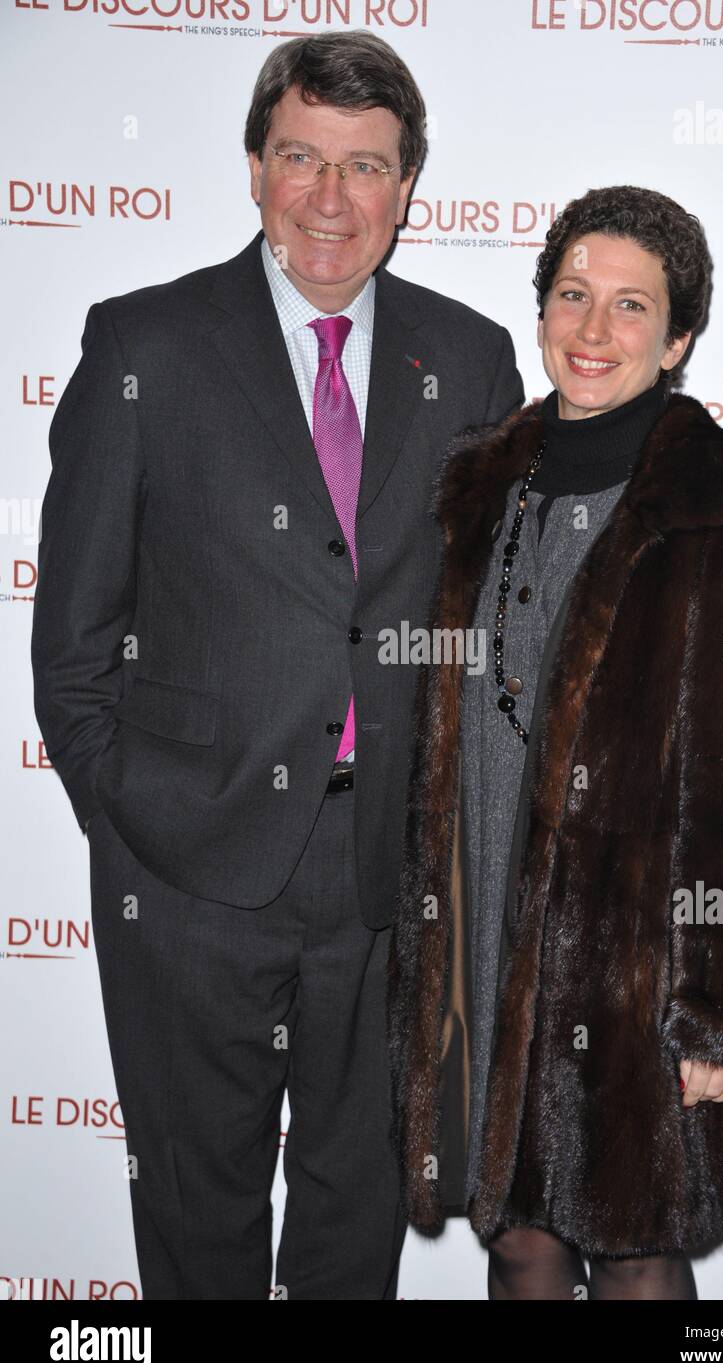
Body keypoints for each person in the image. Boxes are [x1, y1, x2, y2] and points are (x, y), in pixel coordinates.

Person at [30, 30, 523, 1299]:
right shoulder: (145, 348)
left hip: (384, 884)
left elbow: (490, 623)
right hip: (188, 879)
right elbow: (74, 638)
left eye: (365, 168)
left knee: (356, 1227)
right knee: (198, 1225)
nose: (329, 198)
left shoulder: (468, 361)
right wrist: (133, 820)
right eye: (301, 156)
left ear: (408, 188)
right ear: (254, 167)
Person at [387, 185, 723, 1300]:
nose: (593, 333)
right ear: (542, 308)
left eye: (631, 307)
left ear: (679, 335)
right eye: (572, 296)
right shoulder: (477, 484)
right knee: (517, 1236)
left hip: (641, 967)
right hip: (487, 932)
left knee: (635, 1243)